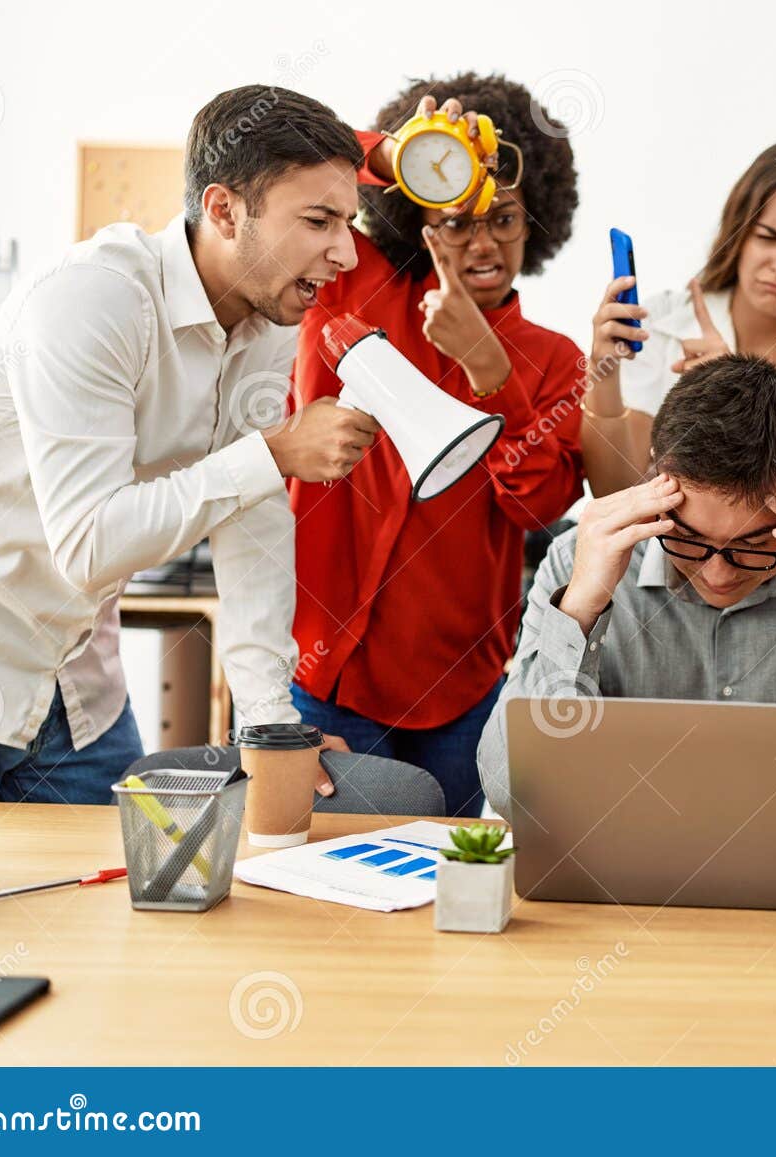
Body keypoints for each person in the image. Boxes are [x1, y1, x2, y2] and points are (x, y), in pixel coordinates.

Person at [0, 85, 377, 803]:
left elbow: (249, 514)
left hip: (78, 679)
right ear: (224, 210)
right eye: (319, 220)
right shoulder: (93, 299)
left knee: (117, 901)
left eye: (347, 221)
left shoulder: (268, 321)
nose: (345, 251)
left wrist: (270, 724)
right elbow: (90, 541)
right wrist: (276, 453)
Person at [478, 354, 776, 824]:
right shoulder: (576, 562)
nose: (716, 574)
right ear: (655, 480)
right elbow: (510, 793)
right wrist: (580, 612)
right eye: (689, 540)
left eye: (752, 546)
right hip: (622, 895)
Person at [286, 74, 585, 816]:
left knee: (445, 895)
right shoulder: (351, 281)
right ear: (420, 219)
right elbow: (291, 170)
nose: (482, 242)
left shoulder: (554, 359)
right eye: (455, 220)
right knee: (321, 898)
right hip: (325, 675)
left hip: (464, 690)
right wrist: (398, 154)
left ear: (535, 225)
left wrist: (490, 367)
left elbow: (537, 503)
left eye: (505, 220)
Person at [579, 139, 776, 497]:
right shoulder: (665, 323)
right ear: (739, 234)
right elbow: (616, 491)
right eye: (767, 237)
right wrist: (602, 372)